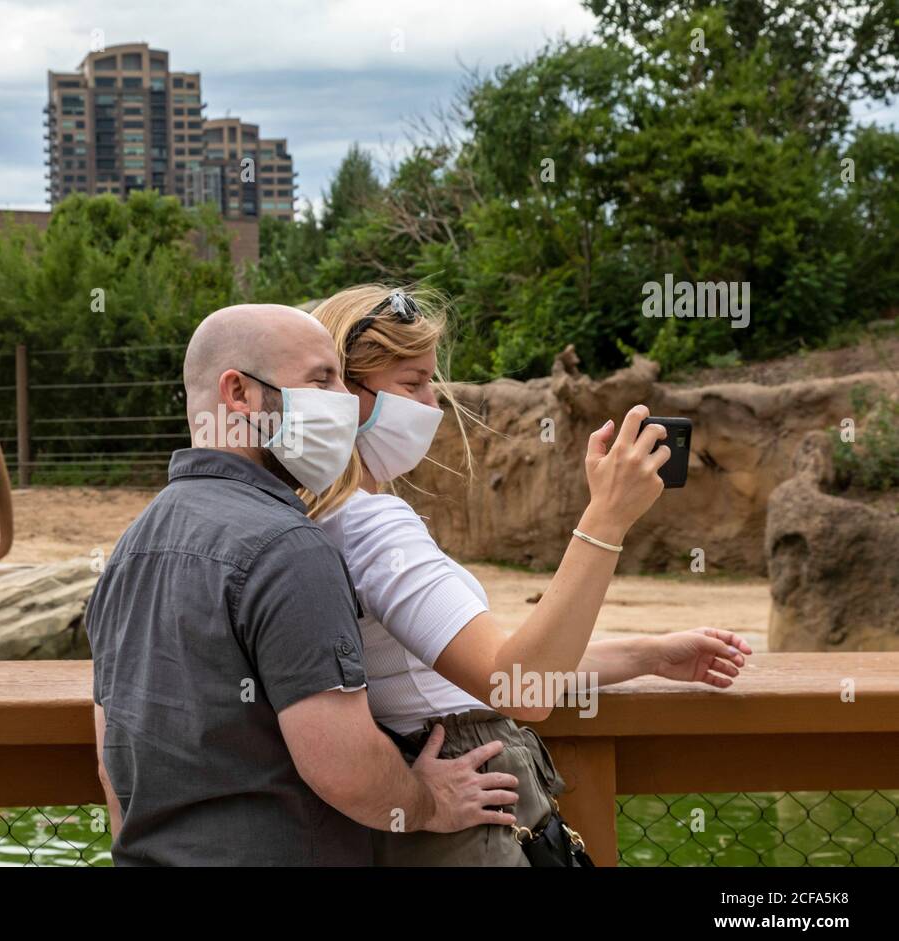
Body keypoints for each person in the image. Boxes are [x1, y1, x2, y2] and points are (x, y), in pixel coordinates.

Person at [307, 284, 754, 866]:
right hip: (474, 827)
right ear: (347, 395)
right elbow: (519, 685)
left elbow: (504, 663)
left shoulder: (325, 514)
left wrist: (651, 655)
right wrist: (607, 517)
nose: (433, 405)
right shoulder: (373, 524)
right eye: (412, 383)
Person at [85, 303, 520, 866]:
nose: (343, 402)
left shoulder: (129, 549)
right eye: (322, 380)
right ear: (238, 393)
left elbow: (109, 761)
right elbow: (345, 765)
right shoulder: (289, 548)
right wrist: (430, 803)